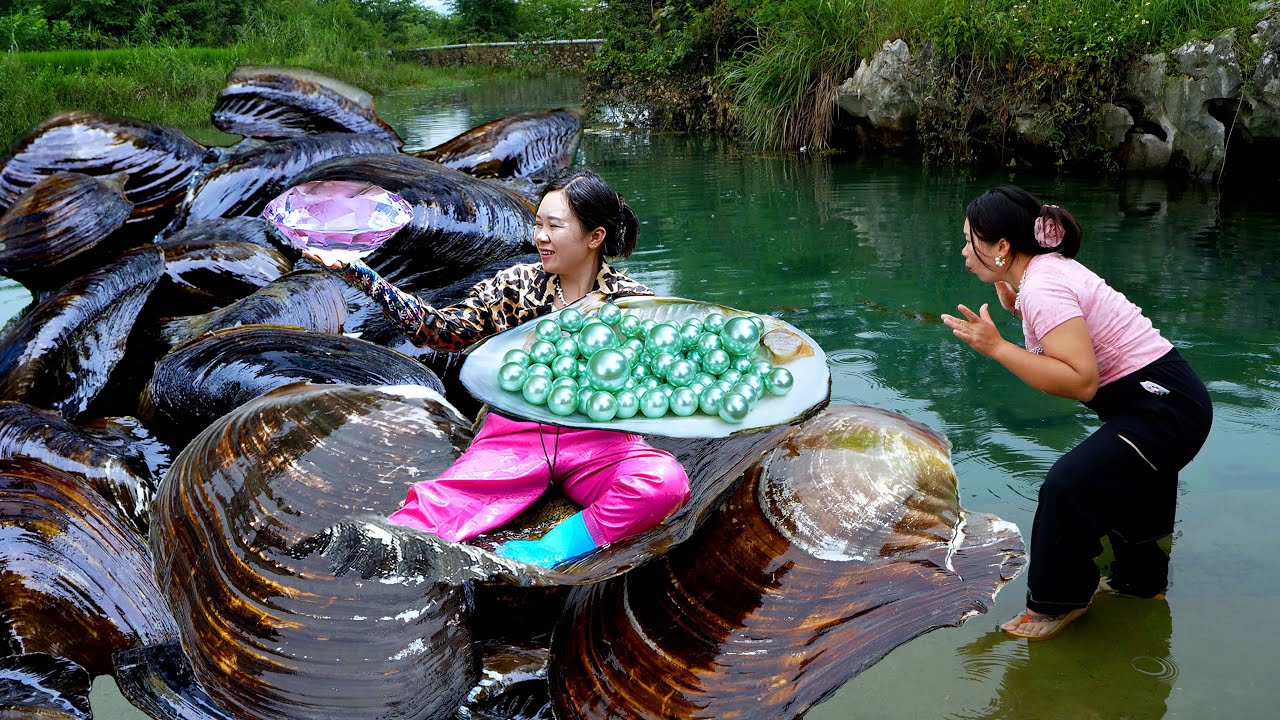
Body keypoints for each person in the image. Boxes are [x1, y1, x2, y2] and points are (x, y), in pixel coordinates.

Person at [306, 169, 691, 568]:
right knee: (428, 513)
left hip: (599, 443)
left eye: (554, 226)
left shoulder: (635, 304)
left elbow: (670, 379)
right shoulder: (516, 285)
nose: (539, 236)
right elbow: (440, 332)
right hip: (513, 438)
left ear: (595, 237)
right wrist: (360, 273)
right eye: (538, 224)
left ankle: (557, 546)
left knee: (664, 483)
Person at [940, 185, 1212, 640]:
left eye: (971, 240)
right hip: (1170, 398)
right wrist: (1013, 294)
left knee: (1067, 488)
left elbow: (1080, 380)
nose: (964, 250)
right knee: (1135, 487)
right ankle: (1141, 586)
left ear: (1003, 247)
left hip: (1162, 410)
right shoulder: (1043, 272)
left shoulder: (1043, 285)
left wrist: (998, 348)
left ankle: (1055, 605)